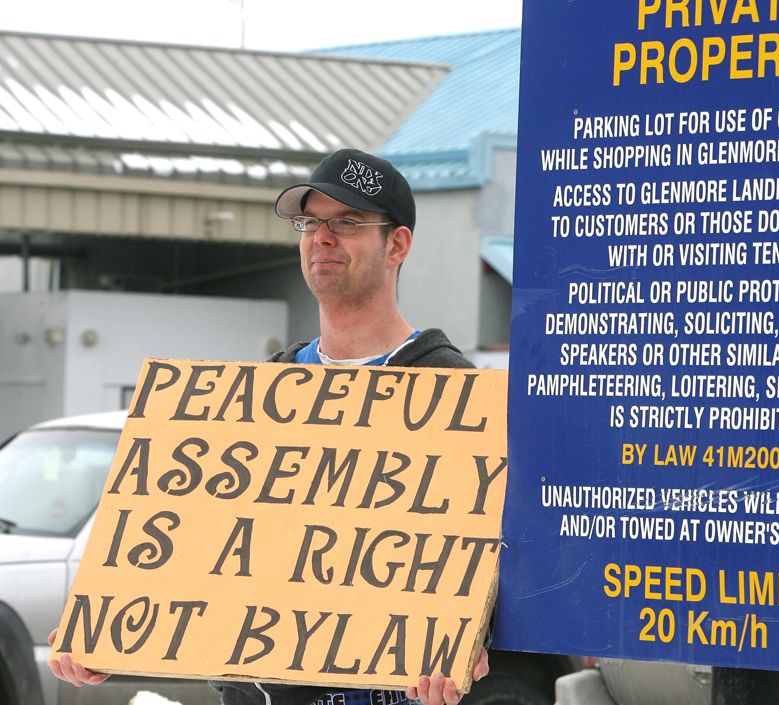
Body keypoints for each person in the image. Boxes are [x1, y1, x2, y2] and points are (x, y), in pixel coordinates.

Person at [48, 148, 490, 705]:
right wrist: (102, 629)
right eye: (309, 222)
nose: (321, 238)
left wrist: (471, 637)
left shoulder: (452, 392)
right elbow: (199, 547)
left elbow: (488, 555)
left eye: (347, 222)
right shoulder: (265, 391)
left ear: (397, 245)